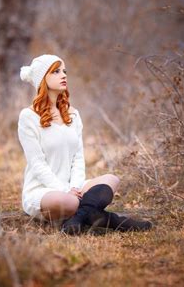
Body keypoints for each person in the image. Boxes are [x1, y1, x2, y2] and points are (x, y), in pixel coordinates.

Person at [18, 54, 152, 235]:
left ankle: (77, 219)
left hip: (73, 187)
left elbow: (78, 158)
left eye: (64, 71)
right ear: (43, 79)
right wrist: (66, 191)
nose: (64, 75)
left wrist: (75, 187)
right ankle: (115, 221)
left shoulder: (73, 115)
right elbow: (37, 164)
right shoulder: (28, 117)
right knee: (70, 202)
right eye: (56, 72)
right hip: (44, 191)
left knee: (112, 179)